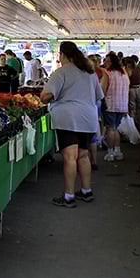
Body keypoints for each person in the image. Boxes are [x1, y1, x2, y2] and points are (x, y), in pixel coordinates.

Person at [41, 42, 103, 208]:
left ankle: (68, 196)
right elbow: (99, 96)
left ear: (62, 55)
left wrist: (52, 97)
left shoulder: (61, 72)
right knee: (83, 155)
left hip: (67, 118)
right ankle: (86, 191)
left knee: (70, 157)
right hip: (88, 118)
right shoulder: (90, 73)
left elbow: (45, 96)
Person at [101, 52, 130, 162]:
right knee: (116, 128)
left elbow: (102, 90)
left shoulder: (107, 73)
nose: (105, 63)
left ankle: (110, 153)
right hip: (122, 105)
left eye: (107, 61)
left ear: (112, 62)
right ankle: (118, 151)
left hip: (110, 105)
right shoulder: (124, 73)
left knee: (110, 129)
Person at [87, 55, 104, 171]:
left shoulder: (79, 75)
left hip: (81, 110)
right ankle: (93, 161)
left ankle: (84, 161)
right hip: (93, 107)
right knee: (92, 134)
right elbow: (100, 95)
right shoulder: (95, 74)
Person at [123, 56, 140, 134]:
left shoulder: (126, 69)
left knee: (132, 110)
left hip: (131, 90)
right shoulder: (139, 68)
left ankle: (133, 130)